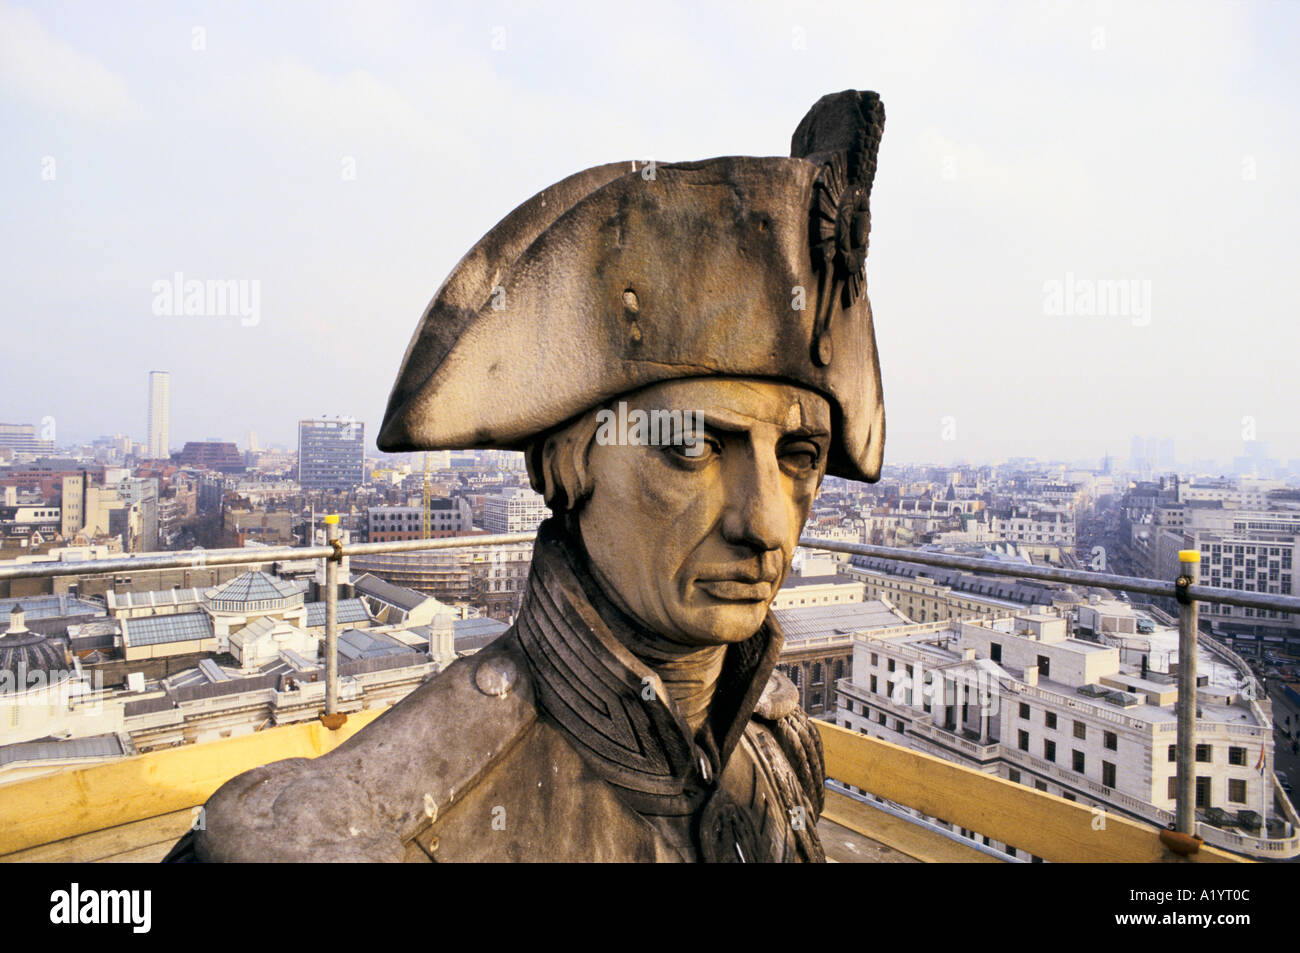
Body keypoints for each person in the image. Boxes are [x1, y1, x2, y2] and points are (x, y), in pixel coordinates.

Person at [168, 88, 887, 862]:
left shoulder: (777, 747)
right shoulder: (369, 834)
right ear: (569, 462)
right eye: (693, 448)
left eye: (800, 457)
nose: (769, 524)